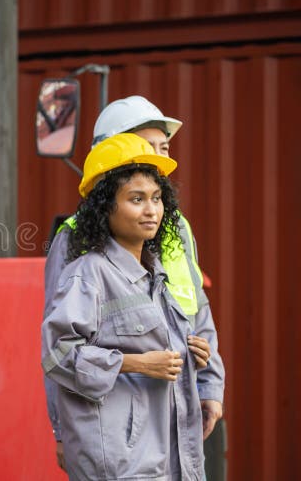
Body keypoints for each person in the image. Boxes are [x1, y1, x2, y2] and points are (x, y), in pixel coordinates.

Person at [42, 96, 225, 470]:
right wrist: (62, 432)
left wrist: (208, 383)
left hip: (179, 417)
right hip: (122, 437)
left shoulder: (174, 231)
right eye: (145, 146)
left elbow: (197, 311)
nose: (153, 158)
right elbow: (58, 348)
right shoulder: (78, 246)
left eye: (162, 148)